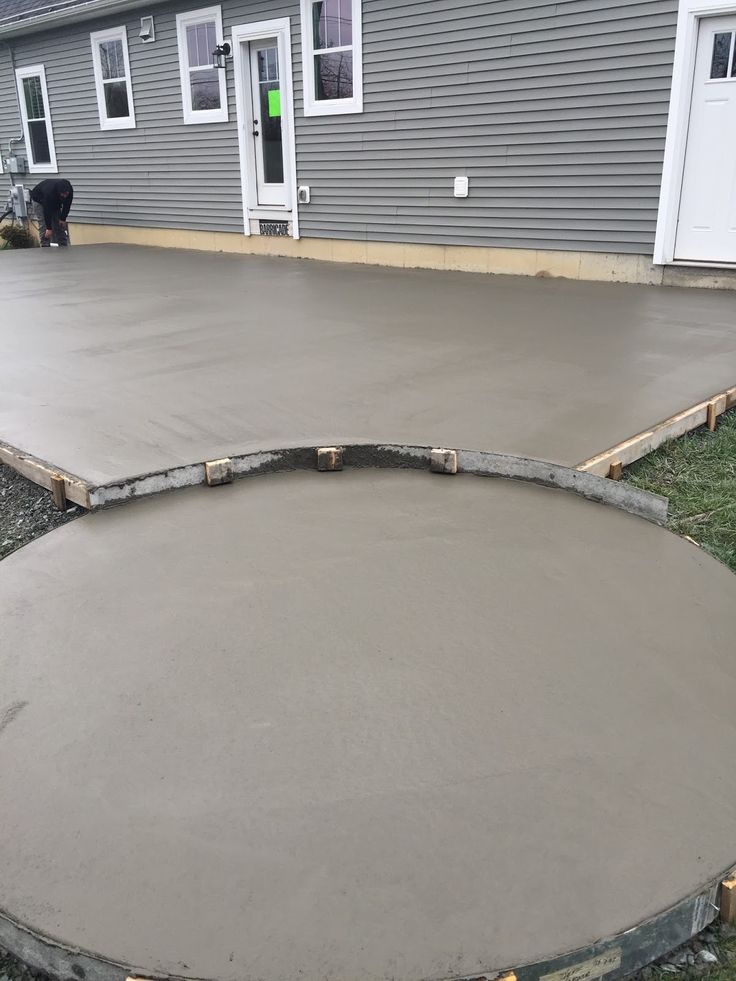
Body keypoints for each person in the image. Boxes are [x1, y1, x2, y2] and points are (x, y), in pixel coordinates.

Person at [30, 178, 73, 247]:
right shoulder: (49, 192)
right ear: (59, 192)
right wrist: (49, 228)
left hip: (55, 202)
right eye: (63, 194)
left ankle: (63, 245)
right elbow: (47, 211)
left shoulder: (69, 190)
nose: (65, 196)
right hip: (39, 201)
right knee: (44, 224)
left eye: (66, 194)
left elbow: (67, 205)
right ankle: (45, 245)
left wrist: (63, 219)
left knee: (59, 224)